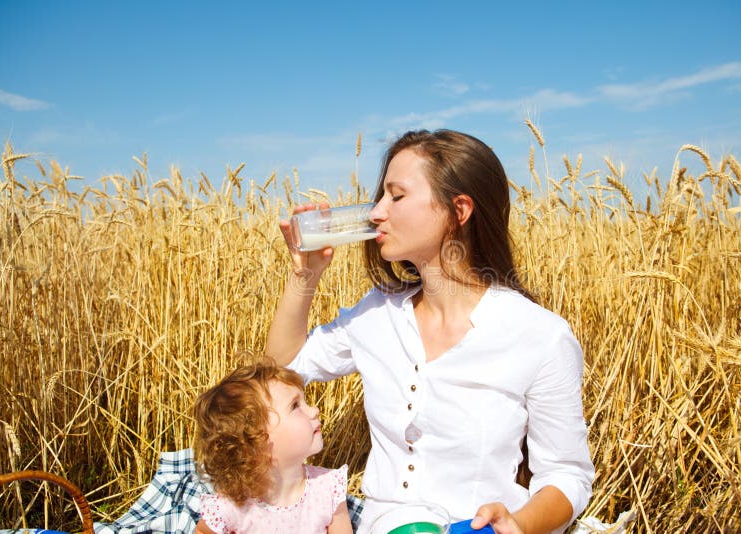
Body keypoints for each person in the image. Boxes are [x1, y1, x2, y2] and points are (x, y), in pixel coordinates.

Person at [266, 129, 594, 534]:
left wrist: (519, 525)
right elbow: (283, 367)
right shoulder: (378, 312)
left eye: (396, 196)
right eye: (381, 196)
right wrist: (305, 275)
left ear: (459, 209)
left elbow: (566, 475)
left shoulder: (540, 335)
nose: (375, 212)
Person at [193, 358, 353, 534]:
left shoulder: (327, 489)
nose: (314, 410)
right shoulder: (233, 507)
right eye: (295, 406)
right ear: (256, 441)